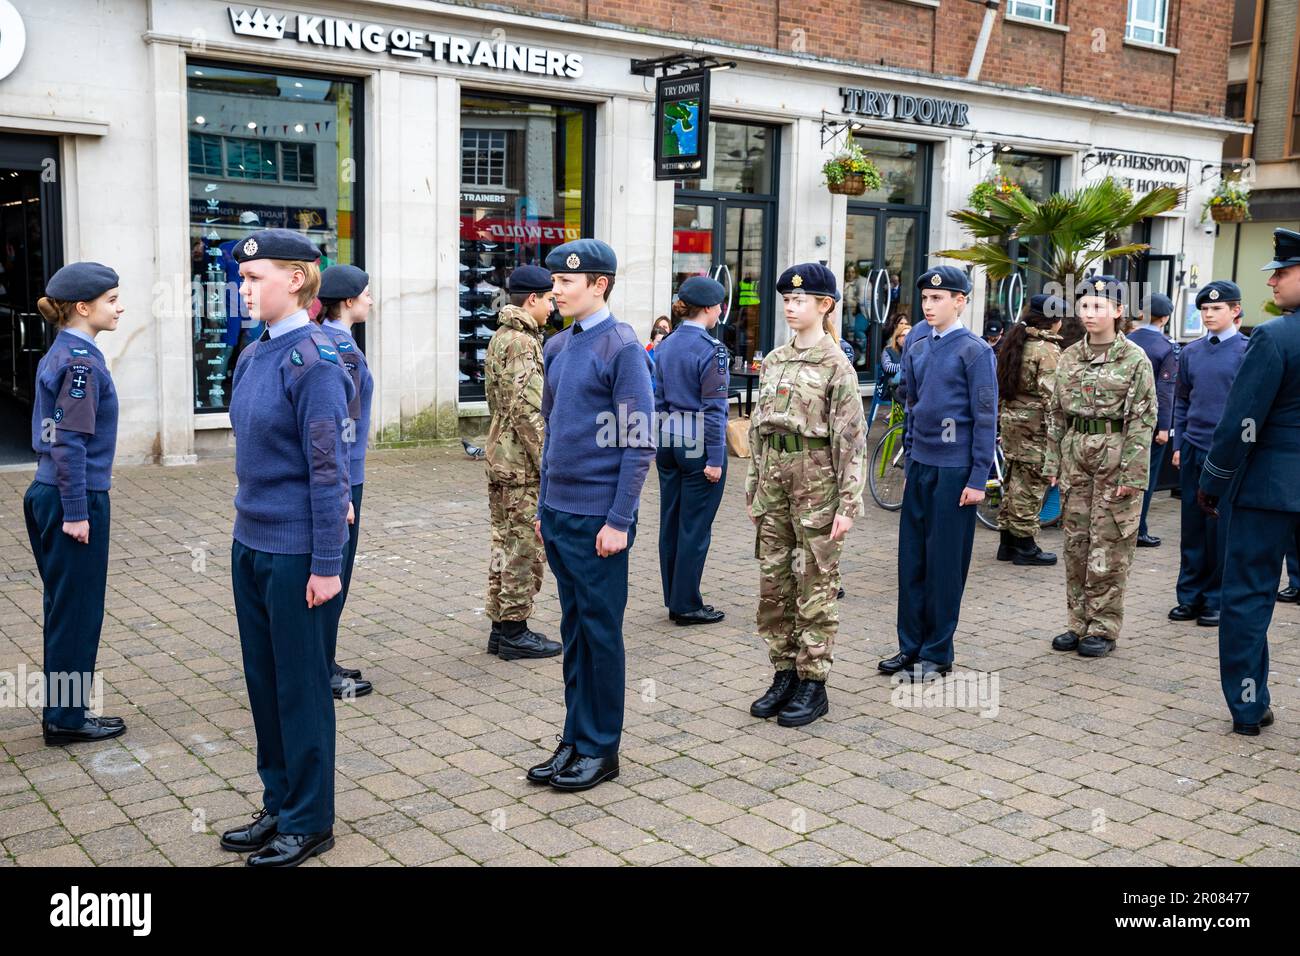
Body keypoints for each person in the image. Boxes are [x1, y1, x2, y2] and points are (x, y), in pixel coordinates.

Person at [219, 229, 353, 866]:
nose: (244, 288)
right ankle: (278, 801)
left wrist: (327, 565)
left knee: (301, 687)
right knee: (264, 683)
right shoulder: (253, 355)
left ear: (296, 279)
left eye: (256, 277)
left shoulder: (317, 362)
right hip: (251, 542)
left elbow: (330, 474)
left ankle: (310, 818)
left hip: (298, 553)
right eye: (241, 278)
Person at [527, 238, 654, 791]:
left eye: (566, 283)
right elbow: (553, 431)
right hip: (558, 514)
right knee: (575, 630)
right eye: (554, 283)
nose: (555, 290)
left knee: (600, 635)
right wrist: (541, 505)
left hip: (599, 520)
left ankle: (602, 749)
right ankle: (575, 737)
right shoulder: (558, 347)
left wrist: (619, 520)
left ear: (598, 285)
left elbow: (640, 440)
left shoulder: (622, 347)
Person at [746, 263, 866, 726]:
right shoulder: (774, 359)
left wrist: (849, 504)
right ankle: (784, 672)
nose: (791, 307)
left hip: (817, 478)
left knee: (815, 580)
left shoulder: (837, 364)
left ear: (825, 305)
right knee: (775, 580)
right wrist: (754, 484)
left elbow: (851, 439)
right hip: (775, 475)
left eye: (801, 301)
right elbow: (758, 429)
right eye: (787, 301)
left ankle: (813, 681)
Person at [1199, 227, 1300, 735]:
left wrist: (1212, 479)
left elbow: (1242, 418)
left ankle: (1247, 708)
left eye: (1283, 271)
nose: (1274, 280)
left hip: (1269, 491)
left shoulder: (1275, 335)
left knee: (1247, 597)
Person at [25, 262, 127, 746]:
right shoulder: (81, 362)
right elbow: (68, 442)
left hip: (52, 491)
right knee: (78, 611)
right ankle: (66, 719)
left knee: (64, 607)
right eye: (111, 300)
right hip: (74, 494)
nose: (119, 307)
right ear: (83, 308)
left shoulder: (65, 353)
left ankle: (63, 711)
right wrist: (77, 511)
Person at [879, 265, 995, 681]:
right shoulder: (916, 342)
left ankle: (937, 652)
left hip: (955, 470)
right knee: (912, 562)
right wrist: (909, 461)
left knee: (944, 566)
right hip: (922, 466)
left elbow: (985, 418)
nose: (929, 305)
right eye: (925, 299)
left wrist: (979, 478)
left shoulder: (975, 350)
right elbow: (911, 405)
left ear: (959, 301)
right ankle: (909, 647)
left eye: (938, 299)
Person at [1044, 275, 1156, 658]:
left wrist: (1132, 474)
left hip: (1116, 453)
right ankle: (1077, 622)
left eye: (1098, 306)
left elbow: (1143, 419)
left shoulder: (1134, 359)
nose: (1089, 313)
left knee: (1110, 543)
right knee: (1076, 543)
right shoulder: (1070, 355)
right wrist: (1052, 459)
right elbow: (1056, 412)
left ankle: (1103, 627)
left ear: (1118, 311)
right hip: (1076, 453)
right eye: (1085, 305)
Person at [483, 266, 562, 660]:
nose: (553, 306)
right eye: (549, 299)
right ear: (532, 299)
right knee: (523, 547)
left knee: (503, 542)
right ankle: (515, 629)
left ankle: (501, 625)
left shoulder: (501, 337)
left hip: (502, 458)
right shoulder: (522, 343)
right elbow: (528, 412)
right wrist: (550, 464)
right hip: (522, 467)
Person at [1168, 281, 1248, 629]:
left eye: (1217, 308)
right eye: (1204, 310)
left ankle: (1215, 599)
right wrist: (1177, 444)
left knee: (1221, 528)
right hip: (1194, 449)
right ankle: (1189, 597)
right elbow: (1182, 400)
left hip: (1227, 454)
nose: (1209, 314)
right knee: (1192, 526)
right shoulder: (1191, 352)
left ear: (1235, 310)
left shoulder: (1248, 351)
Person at [654, 276, 729, 627]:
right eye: (719, 307)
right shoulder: (711, 349)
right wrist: (715, 458)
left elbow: (654, 398)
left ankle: (674, 595)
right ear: (711, 308)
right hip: (698, 442)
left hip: (668, 439)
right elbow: (715, 409)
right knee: (694, 527)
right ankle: (686, 604)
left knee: (670, 520)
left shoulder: (665, 345)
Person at [314, 264, 374, 699]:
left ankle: (324, 657)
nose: (372, 301)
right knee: (336, 572)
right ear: (349, 302)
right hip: (344, 475)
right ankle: (320, 665)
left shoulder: (332, 341)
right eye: (367, 294)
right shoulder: (344, 351)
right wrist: (346, 488)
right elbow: (342, 425)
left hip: (342, 473)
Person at [995, 294, 1065, 566]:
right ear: (1055, 321)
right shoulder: (1045, 349)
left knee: (1013, 482)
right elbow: (1053, 398)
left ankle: (1008, 543)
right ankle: (1025, 546)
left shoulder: (1017, 340)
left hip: (1013, 422)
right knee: (1030, 487)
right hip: (1034, 427)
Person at [1128, 293, 1178, 547]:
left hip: (1122, 422)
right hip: (1149, 424)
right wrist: (1165, 428)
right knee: (1145, 478)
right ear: (1166, 318)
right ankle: (1139, 530)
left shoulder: (1123, 340)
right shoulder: (1166, 347)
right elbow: (1165, 390)